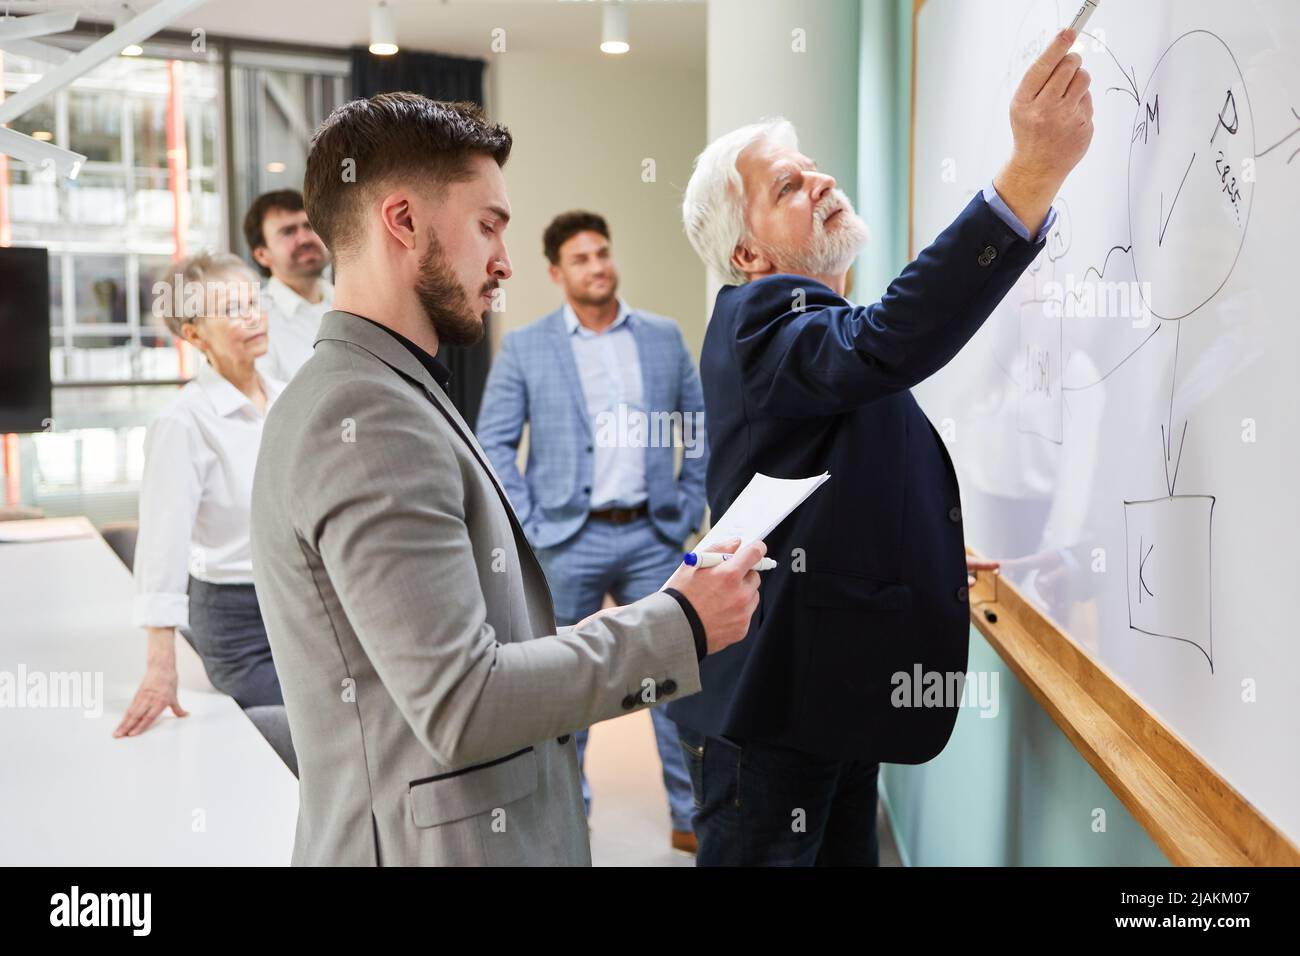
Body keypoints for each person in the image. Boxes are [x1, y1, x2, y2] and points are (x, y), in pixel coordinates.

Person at [250, 93, 765, 866]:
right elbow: (465, 700)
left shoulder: (389, 386)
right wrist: (680, 625)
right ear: (403, 221)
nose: (505, 259)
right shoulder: (363, 414)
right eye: (488, 224)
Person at [670, 29, 1094, 865]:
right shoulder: (758, 317)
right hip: (773, 717)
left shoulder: (810, 337)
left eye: (812, 165)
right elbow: (890, 341)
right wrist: (1030, 176)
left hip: (825, 699)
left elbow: (839, 472)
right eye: (788, 184)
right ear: (748, 254)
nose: (820, 180)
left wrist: (924, 553)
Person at [477, 210, 707, 852]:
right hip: (565, 542)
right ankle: (566, 815)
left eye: (603, 253)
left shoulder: (662, 337)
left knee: (675, 681)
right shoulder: (526, 346)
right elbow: (494, 441)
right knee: (559, 686)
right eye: (581, 259)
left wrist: (690, 508)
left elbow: (697, 428)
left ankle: (690, 816)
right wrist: (532, 526)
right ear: (556, 273)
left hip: (653, 536)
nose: (598, 266)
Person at [115, 251, 296, 775]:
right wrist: (159, 666)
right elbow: (162, 546)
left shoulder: (290, 400)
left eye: (252, 302)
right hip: (239, 622)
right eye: (229, 309)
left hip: (302, 603)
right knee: (306, 736)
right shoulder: (183, 423)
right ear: (194, 336)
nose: (251, 316)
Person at [243, 189, 333, 382]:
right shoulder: (254, 322)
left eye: (309, 226)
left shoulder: (351, 304)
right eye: (288, 232)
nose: (305, 238)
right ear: (262, 255)